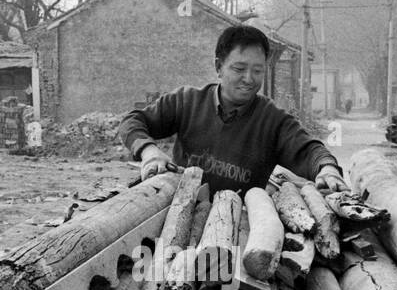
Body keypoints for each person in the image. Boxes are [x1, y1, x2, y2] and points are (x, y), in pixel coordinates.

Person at [116, 25, 349, 194]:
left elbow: (310, 151)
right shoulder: (187, 101)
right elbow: (132, 122)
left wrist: (327, 169)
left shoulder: (273, 120)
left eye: (258, 71)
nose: (249, 79)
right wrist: (149, 151)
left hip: (239, 224)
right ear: (219, 67)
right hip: (180, 214)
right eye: (239, 69)